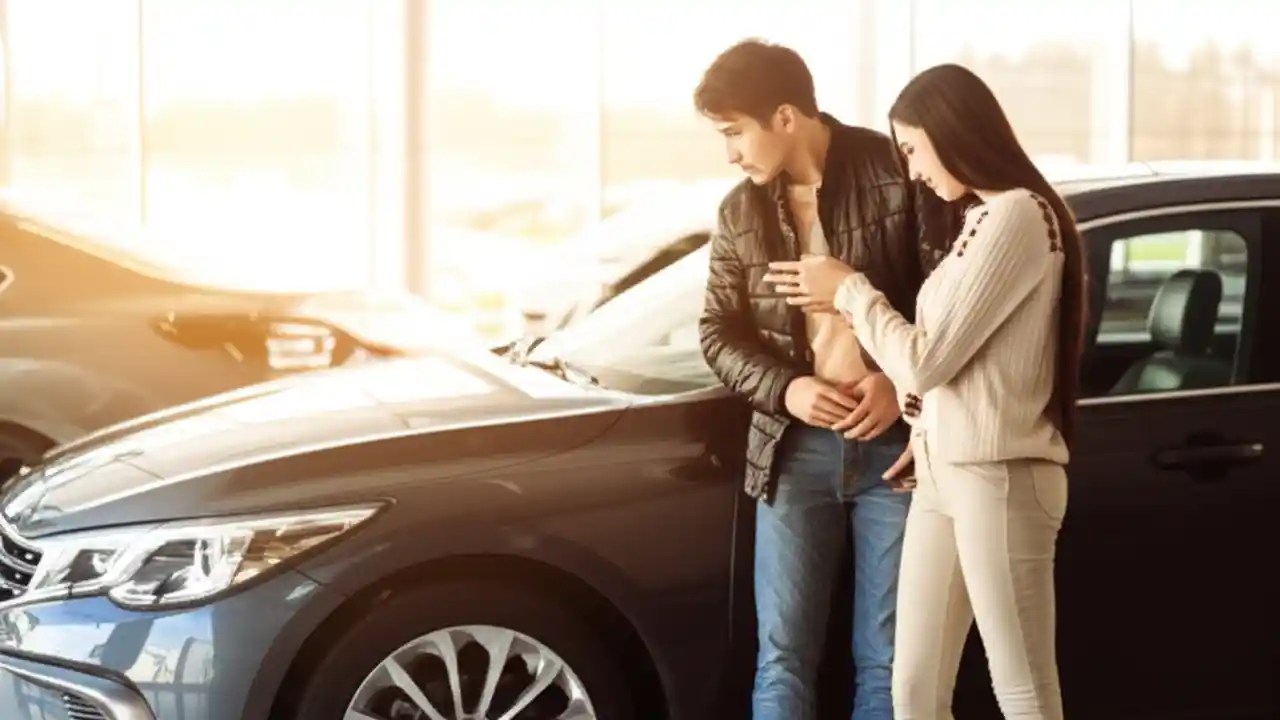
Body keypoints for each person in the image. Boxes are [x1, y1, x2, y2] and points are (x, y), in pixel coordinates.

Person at [766, 63, 1088, 719]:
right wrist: (928, 431)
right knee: (911, 691)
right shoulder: (979, 220)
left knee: (1023, 689)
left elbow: (926, 361)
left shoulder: (1018, 215)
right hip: (949, 473)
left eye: (912, 148)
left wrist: (849, 290)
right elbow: (967, 362)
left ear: (953, 131)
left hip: (1000, 477)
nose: (910, 169)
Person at [693, 40, 948, 720]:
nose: (731, 154)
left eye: (734, 132)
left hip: (898, 452)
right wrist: (789, 390)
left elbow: (951, 308)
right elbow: (717, 334)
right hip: (791, 452)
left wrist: (901, 385)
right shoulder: (739, 213)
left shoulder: (897, 174)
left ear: (783, 118)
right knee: (782, 659)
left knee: (890, 665)